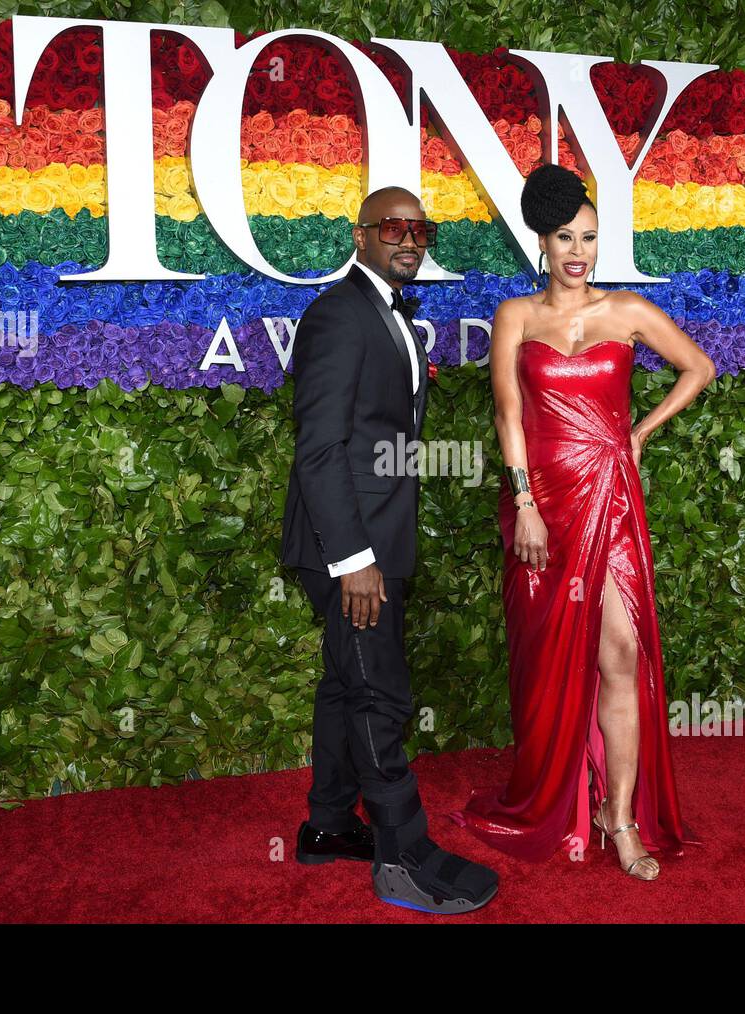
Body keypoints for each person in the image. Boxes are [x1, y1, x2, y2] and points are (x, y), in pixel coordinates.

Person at [448, 163, 714, 880]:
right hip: (545, 504)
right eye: (566, 236)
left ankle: (619, 816)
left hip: (611, 496)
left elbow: (699, 368)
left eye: (590, 238)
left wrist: (640, 433)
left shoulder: (626, 312)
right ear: (542, 240)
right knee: (551, 663)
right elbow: (508, 414)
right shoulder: (516, 316)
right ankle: (557, 795)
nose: (578, 251)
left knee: (621, 652)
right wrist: (525, 502)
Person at [281, 186, 500, 913]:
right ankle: (403, 854)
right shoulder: (339, 316)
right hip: (350, 551)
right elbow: (318, 451)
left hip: (376, 541)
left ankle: (329, 826)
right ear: (361, 235)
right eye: (394, 227)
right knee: (379, 694)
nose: (410, 239)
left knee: (346, 686)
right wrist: (354, 560)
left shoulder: (387, 313)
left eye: (420, 229)